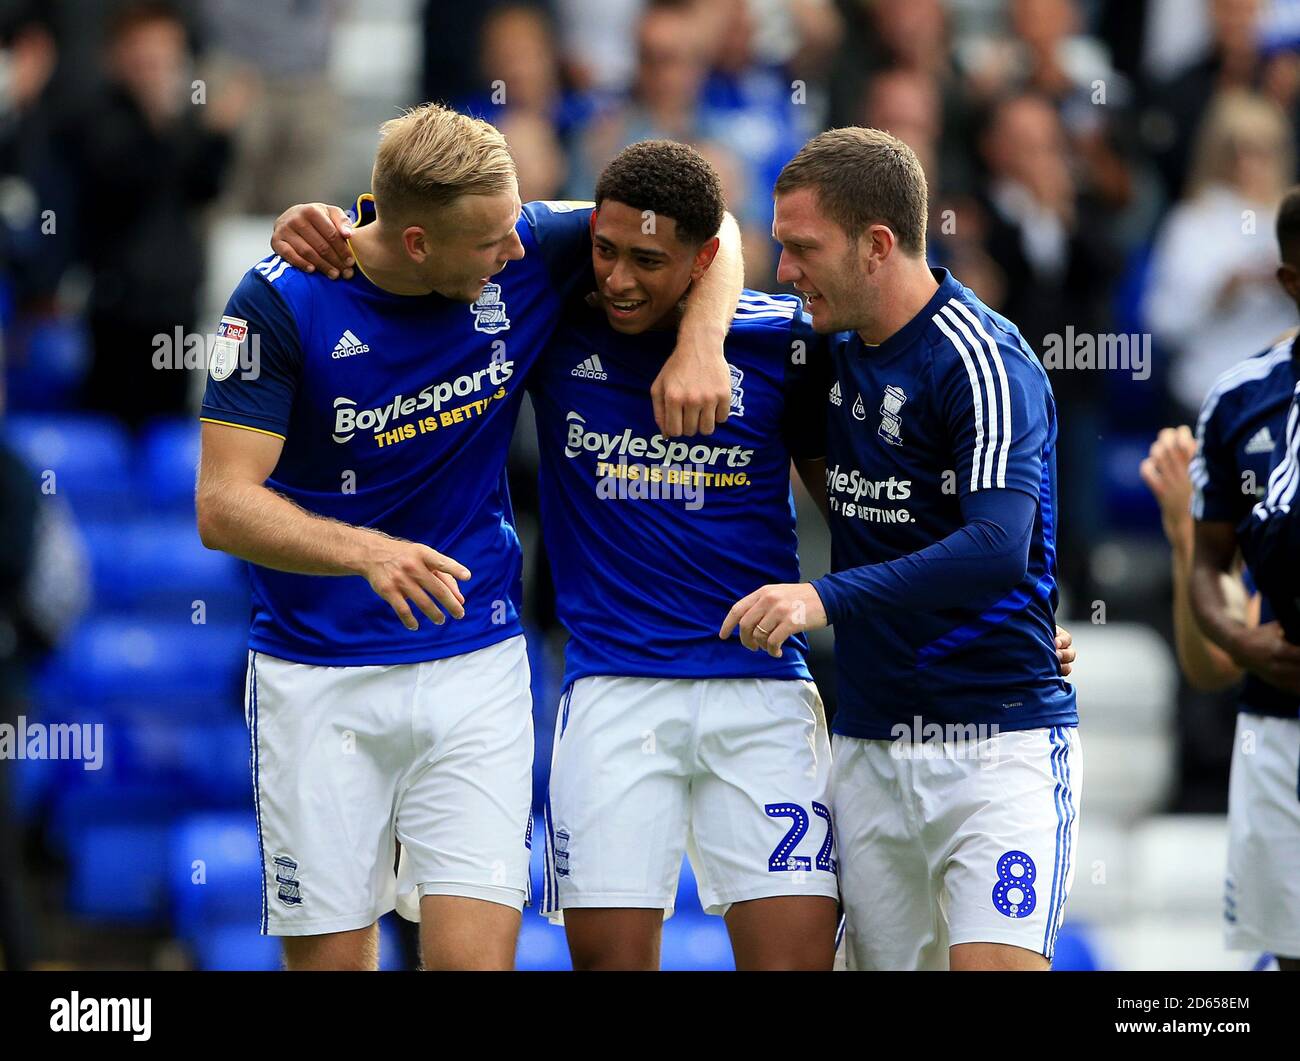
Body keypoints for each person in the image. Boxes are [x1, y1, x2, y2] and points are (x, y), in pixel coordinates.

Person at [195, 103, 740, 971]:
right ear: (415, 243)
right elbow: (223, 505)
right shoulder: (279, 301)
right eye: (493, 243)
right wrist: (365, 549)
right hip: (315, 672)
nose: (519, 252)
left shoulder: (521, 245)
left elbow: (713, 228)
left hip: (474, 661)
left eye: (516, 227)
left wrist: (703, 342)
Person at [723, 127, 1079, 971]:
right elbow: (699, 282)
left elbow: (996, 548)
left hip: (997, 743)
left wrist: (823, 597)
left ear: (876, 245)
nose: (784, 271)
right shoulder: (823, 342)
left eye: (803, 248)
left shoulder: (983, 359)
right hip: (871, 744)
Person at [528, 141, 838, 970]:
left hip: (762, 690)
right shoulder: (554, 326)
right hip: (613, 692)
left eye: (648, 260)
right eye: (605, 250)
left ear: (702, 260)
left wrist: (1002, 613)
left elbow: (865, 516)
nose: (619, 279)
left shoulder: (783, 342)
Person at [1188, 185, 1300, 970]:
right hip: (1279, 719)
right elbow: (1206, 561)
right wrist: (1235, 634)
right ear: (1292, 281)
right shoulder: (1238, 399)